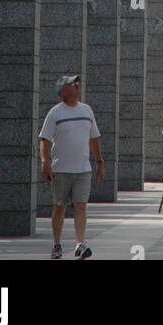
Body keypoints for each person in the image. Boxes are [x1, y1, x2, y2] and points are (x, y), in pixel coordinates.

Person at [39, 74, 103, 260]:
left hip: (83, 169)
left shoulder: (86, 110)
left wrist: (99, 162)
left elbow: (94, 138)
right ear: (63, 91)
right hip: (60, 169)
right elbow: (44, 139)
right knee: (60, 206)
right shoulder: (55, 113)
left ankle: (79, 244)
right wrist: (45, 162)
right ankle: (57, 244)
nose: (77, 86)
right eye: (73, 84)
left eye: (77, 84)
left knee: (81, 206)